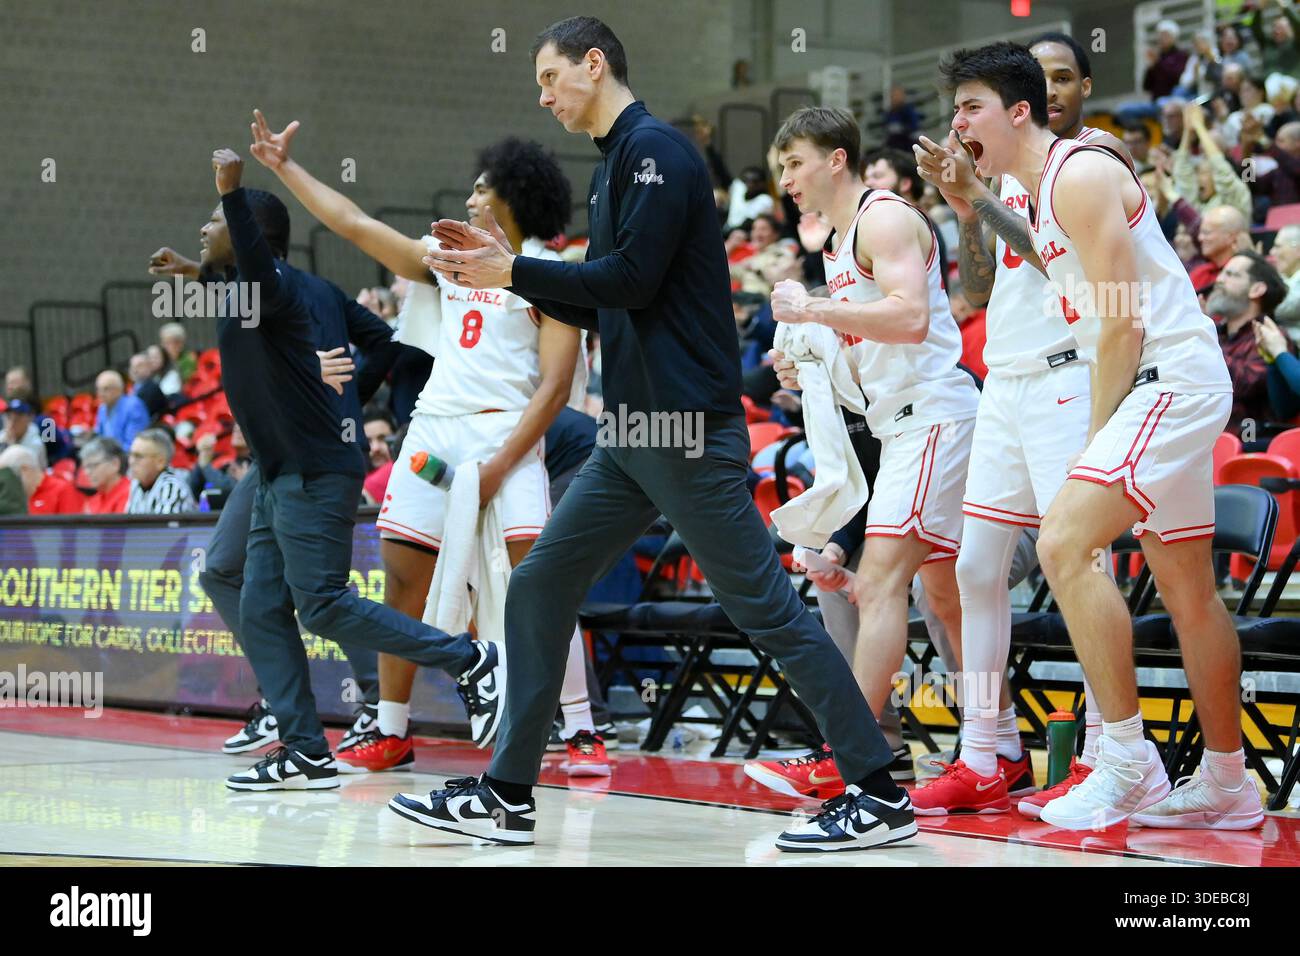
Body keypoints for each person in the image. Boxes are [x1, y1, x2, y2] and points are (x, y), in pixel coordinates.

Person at [404, 16, 916, 852]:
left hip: (681, 431)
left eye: (549, 77)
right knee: (538, 589)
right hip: (632, 440)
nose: (543, 97)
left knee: (769, 612)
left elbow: (633, 282)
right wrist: (504, 277)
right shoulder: (613, 170)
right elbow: (603, 301)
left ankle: (876, 788)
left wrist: (516, 269)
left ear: (593, 65)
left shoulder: (658, 154)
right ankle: (507, 793)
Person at [928, 40, 1260, 831]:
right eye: (953, 108)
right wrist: (971, 201)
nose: (956, 122)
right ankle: (1228, 782)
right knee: (1188, 591)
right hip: (1157, 377)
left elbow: (1121, 325)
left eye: (971, 107)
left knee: (1064, 541)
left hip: (1166, 376)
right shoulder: (1031, 189)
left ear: (1018, 111)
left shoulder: (1076, 174)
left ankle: (1125, 759)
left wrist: (1093, 440)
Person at [249, 113, 606, 777]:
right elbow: (353, 223)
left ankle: (581, 726)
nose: (468, 198)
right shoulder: (444, 259)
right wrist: (283, 167)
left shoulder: (550, 274)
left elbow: (556, 387)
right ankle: (390, 729)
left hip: (509, 432)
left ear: (511, 195)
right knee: (403, 578)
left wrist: (502, 464)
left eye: (479, 188)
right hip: (435, 435)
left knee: (539, 585)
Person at [206, 148, 494, 793]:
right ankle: (306, 751)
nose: (206, 227)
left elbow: (378, 343)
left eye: (216, 220)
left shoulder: (271, 284)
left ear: (251, 233)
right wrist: (343, 385)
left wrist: (231, 189)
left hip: (312, 468)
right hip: (280, 471)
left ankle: (470, 658)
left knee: (324, 605)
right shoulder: (278, 292)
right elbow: (384, 340)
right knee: (258, 605)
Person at [913, 32, 1132, 815]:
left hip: (1071, 378)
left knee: (1080, 565)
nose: (1052, 88)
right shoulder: (1009, 171)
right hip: (1003, 383)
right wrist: (966, 207)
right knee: (974, 570)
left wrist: (979, 197)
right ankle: (987, 750)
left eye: (1062, 76)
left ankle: (1111, 753)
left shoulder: (1091, 160)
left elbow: (1053, 258)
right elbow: (977, 283)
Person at [750, 103, 981, 805]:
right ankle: (992, 742)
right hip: (902, 422)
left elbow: (912, 318)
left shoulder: (883, 219)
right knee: (942, 596)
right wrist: (812, 361)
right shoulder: (838, 241)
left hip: (934, 417)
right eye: (779, 168)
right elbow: (874, 348)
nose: (785, 178)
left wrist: (815, 312)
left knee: (881, 585)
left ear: (837, 159)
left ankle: (850, 752)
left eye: (794, 163)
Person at [1210, 250, 1292, 436]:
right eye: (1222, 272)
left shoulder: (1270, 336)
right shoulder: (1215, 333)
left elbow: (1245, 385)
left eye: (1231, 275)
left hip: (1248, 440)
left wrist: (1202, 340)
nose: (1219, 280)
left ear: (1257, 289)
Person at [126, 428, 195, 515]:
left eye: (138, 456)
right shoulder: (136, 484)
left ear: (160, 462)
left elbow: (161, 527)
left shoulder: (172, 487)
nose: (131, 461)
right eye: (130, 454)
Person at [0, 445, 81, 515]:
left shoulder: (63, 490)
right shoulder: (12, 496)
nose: (6, 485)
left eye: (8, 478)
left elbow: (71, 529)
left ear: (24, 470)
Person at [93, 369, 150, 449]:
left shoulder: (133, 406)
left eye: (106, 389)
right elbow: (99, 438)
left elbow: (133, 444)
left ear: (119, 389)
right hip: (108, 456)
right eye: (98, 389)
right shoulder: (102, 408)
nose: (100, 394)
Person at [80, 436, 131, 514]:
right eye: (85, 467)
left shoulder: (131, 494)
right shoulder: (93, 501)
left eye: (92, 466)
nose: (87, 472)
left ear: (115, 464)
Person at [1, 399, 48, 469]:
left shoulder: (35, 443)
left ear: (29, 418)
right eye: (9, 416)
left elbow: (20, 470)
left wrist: (10, 445)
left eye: (18, 417)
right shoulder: (3, 435)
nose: (13, 422)